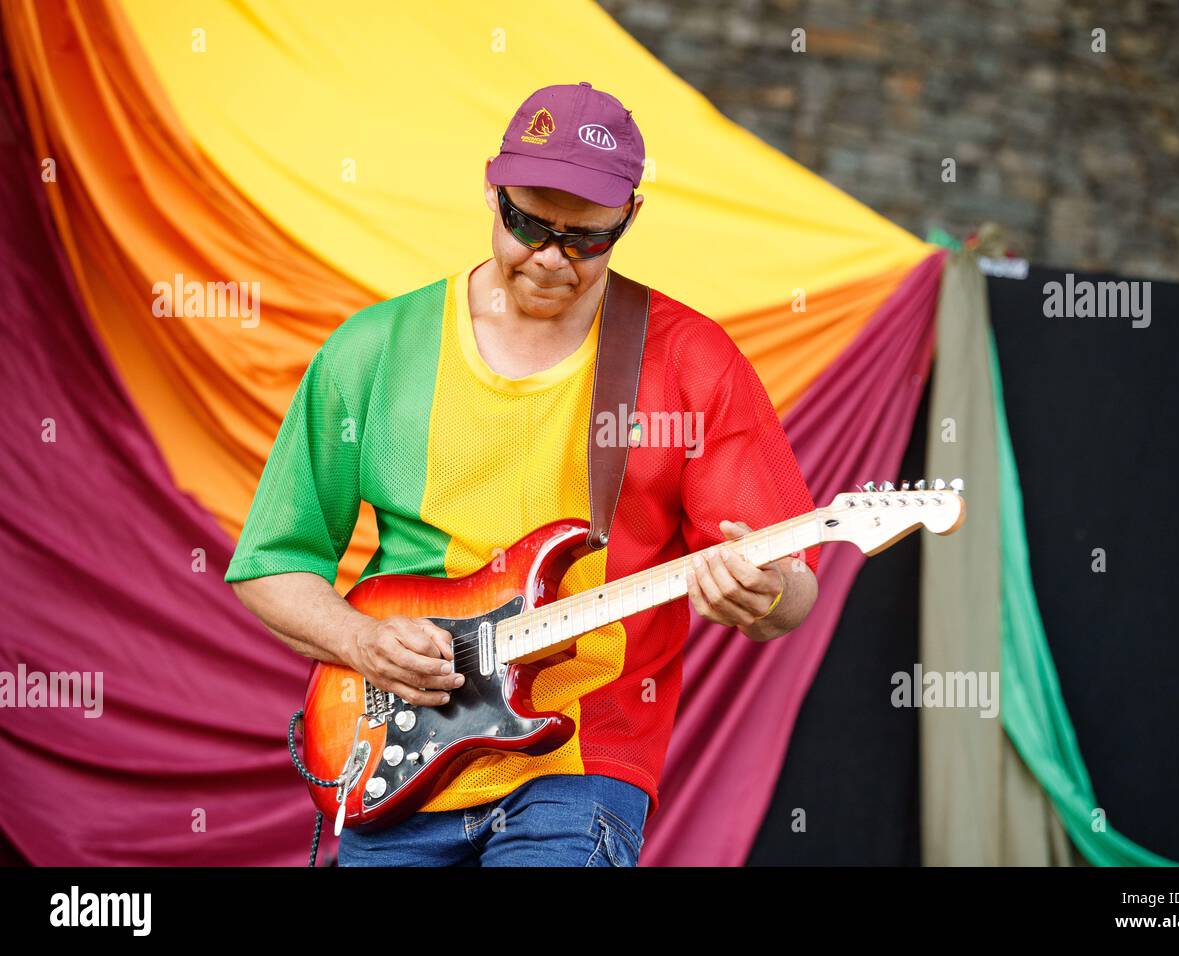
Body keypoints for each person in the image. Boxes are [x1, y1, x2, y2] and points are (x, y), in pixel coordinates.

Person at [226, 81, 820, 866]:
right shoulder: (370, 350)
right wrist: (362, 641)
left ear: (630, 219)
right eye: (526, 223)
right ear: (491, 186)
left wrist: (766, 595)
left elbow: (792, 586)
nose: (548, 257)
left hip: (581, 762)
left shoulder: (691, 362)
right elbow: (272, 562)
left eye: (584, 239)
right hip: (400, 749)